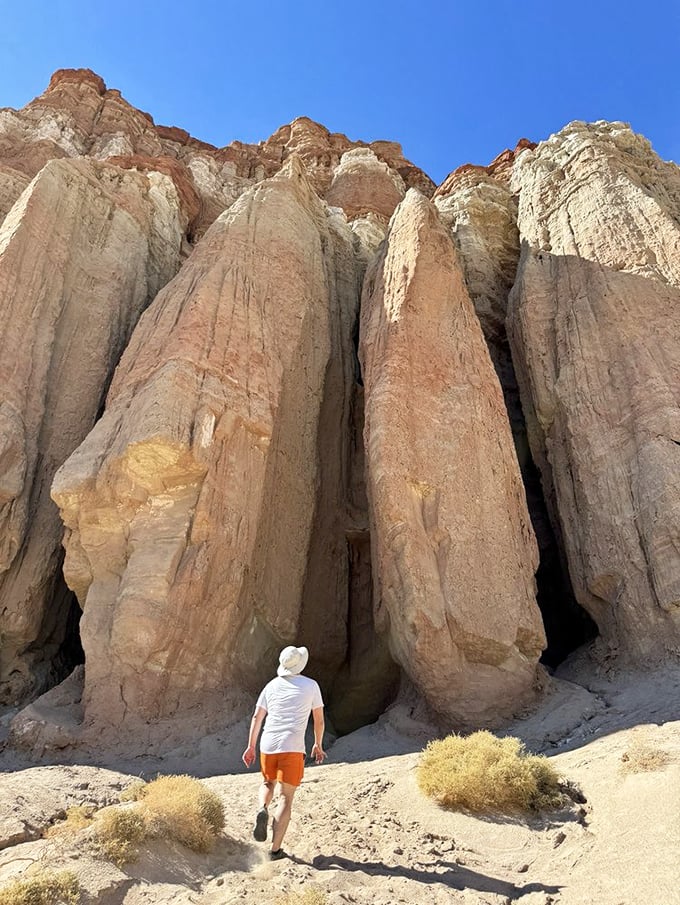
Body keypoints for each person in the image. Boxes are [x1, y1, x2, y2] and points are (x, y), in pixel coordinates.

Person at [242, 645, 326, 860]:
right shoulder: (311, 686)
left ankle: (262, 807)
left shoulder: (271, 686)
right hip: (293, 747)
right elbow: (318, 719)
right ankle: (275, 850)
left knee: (267, 783)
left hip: (268, 745)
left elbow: (256, 717)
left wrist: (251, 746)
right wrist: (318, 744)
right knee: (286, 798)